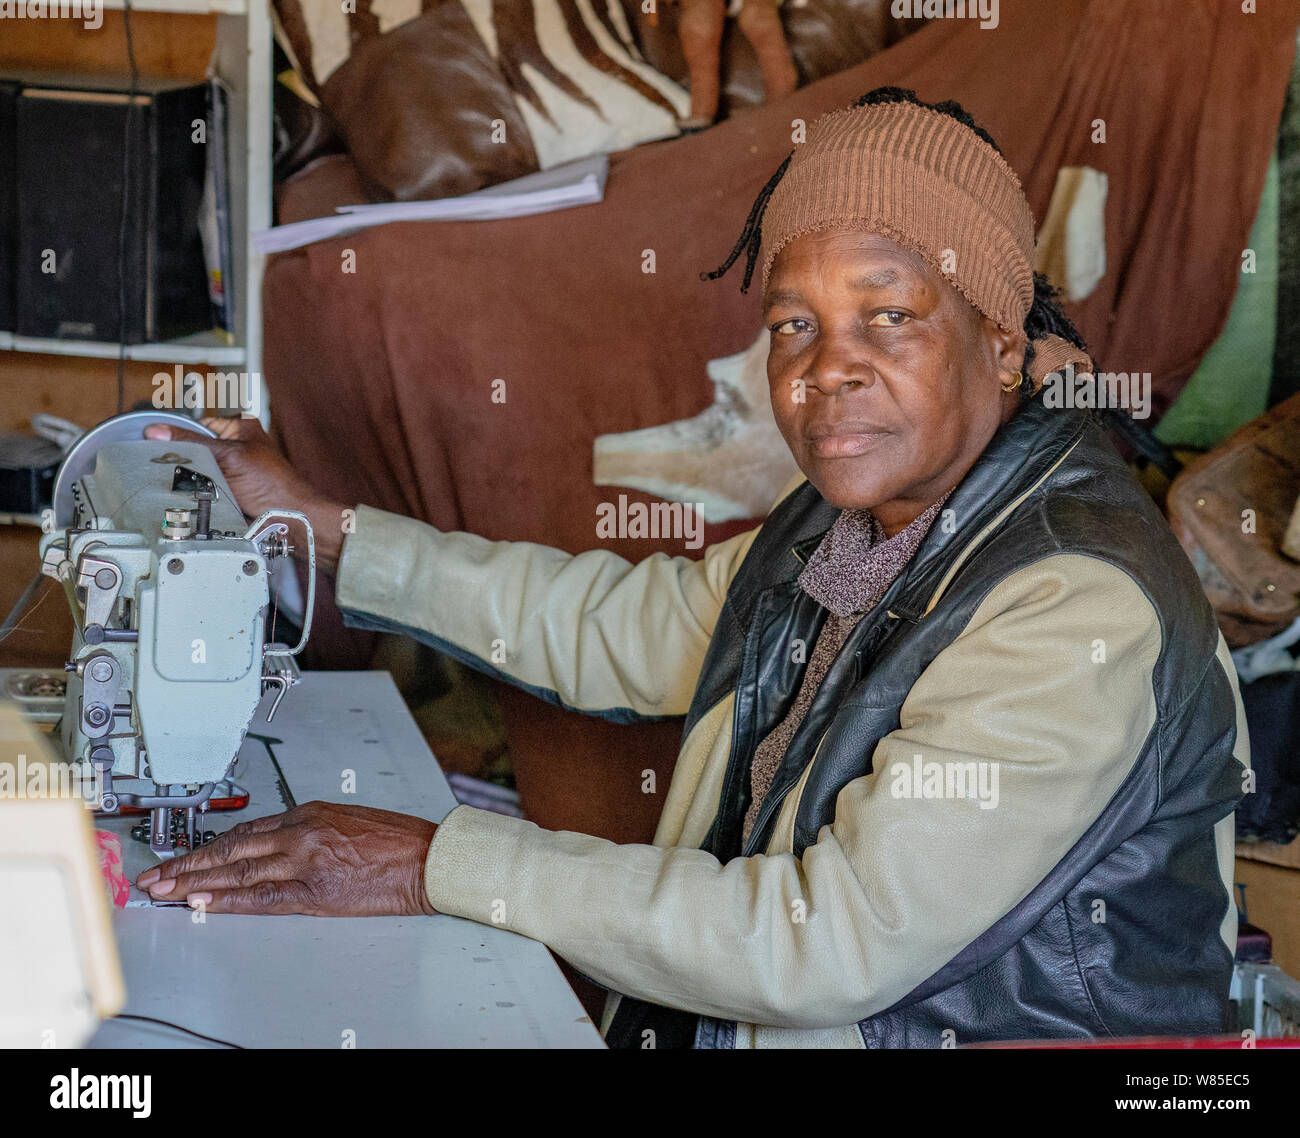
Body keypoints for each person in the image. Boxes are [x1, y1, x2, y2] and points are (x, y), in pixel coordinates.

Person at [136, 88, 1248, 1049]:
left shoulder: (1071, 600)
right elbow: (618, 625)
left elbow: (824, 942)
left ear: (1001, 340)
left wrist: (438, 861)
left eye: (888, 317)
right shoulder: (839, 521)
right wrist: (326, 526)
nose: (827, 372)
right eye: (794, 326)